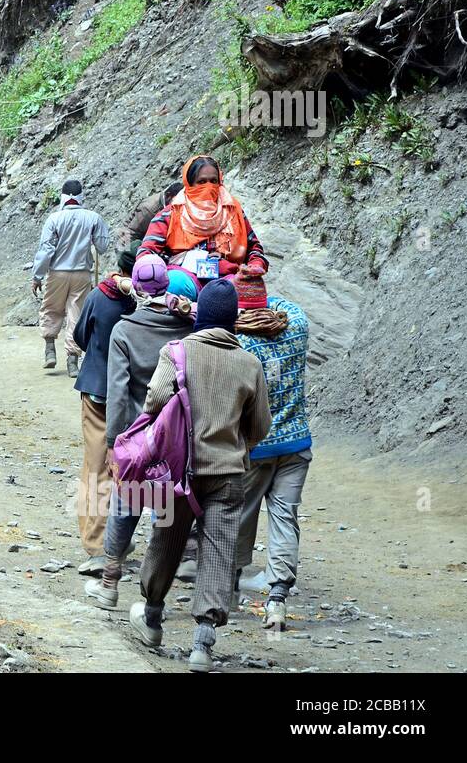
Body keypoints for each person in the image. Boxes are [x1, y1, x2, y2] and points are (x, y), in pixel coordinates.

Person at [128, 279, 272, 673]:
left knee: (166, 538)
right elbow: (260, 425)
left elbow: (154, 400)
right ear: (233, 323)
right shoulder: (249, 363)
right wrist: (237, 446)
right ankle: (203, 645)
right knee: (220, 550)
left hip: (180, 471)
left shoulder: (177, 352)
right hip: (227, 475)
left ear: (201, 316)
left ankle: (153, 618)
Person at [84, 255, 196, 611]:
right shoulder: (185, 330)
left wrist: (115, 443)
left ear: (138, 289)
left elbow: (117, 393)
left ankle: (109, 586)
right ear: (164, 288)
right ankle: (153, 604)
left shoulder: (125, 331)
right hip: (175, 439)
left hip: (137, 436)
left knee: (125, 503)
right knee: (167, 514)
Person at [234, 291, 311, 632]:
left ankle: (227, 587)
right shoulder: (297, 331)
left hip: (255, 447)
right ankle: (277, 599)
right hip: (296, 444)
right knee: (284, 517)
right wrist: (263, 293)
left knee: (242, 515)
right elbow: (291, 307)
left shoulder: (240, 346)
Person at [70, 247, 138, 577]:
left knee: (95, 467)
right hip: (134, 399)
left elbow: (80, 335)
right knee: (125, 471)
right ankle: (118, 540)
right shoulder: (149, 301)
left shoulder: (101, 295)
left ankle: (97, 546)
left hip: (98, 390)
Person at [138, 155, 268, 284]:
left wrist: (254, 266)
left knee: (237, 289)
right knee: (177, 283)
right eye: (201, 182)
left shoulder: (233, 212)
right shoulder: (169, 216)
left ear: (220, 181)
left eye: (213, 181)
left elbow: (254, 248)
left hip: (228, 279)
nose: (209, 187)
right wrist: (187, 259)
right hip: (185, 281)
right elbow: (146, 254)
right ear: (189, 184)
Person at [31, 179, 111, 377]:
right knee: (76, 314)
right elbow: (102, 246)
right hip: (82, 274)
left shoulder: (54, 219)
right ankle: (72, 361)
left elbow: (46, 250)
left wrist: (37, 276)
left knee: (51, 308)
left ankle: (50, 350)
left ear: (63, 196)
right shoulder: (93, 218)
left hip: (57, 273)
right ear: (81, 195)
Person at [120, 180, 183, 249]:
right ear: (168, 196)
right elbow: (132, 232)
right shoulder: (149, 210)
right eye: (176, 200)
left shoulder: (167, 201)